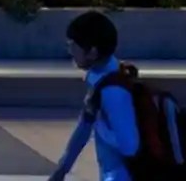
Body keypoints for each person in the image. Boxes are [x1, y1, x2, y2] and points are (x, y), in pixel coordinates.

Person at [50, 10, 140, 181]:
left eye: (73, 45)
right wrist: (62, 169)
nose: (70, 50)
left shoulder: (113, 92)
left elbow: (129, 146)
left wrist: (98, 122)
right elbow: (84, 126)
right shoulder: (98, 77)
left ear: (92, 52)